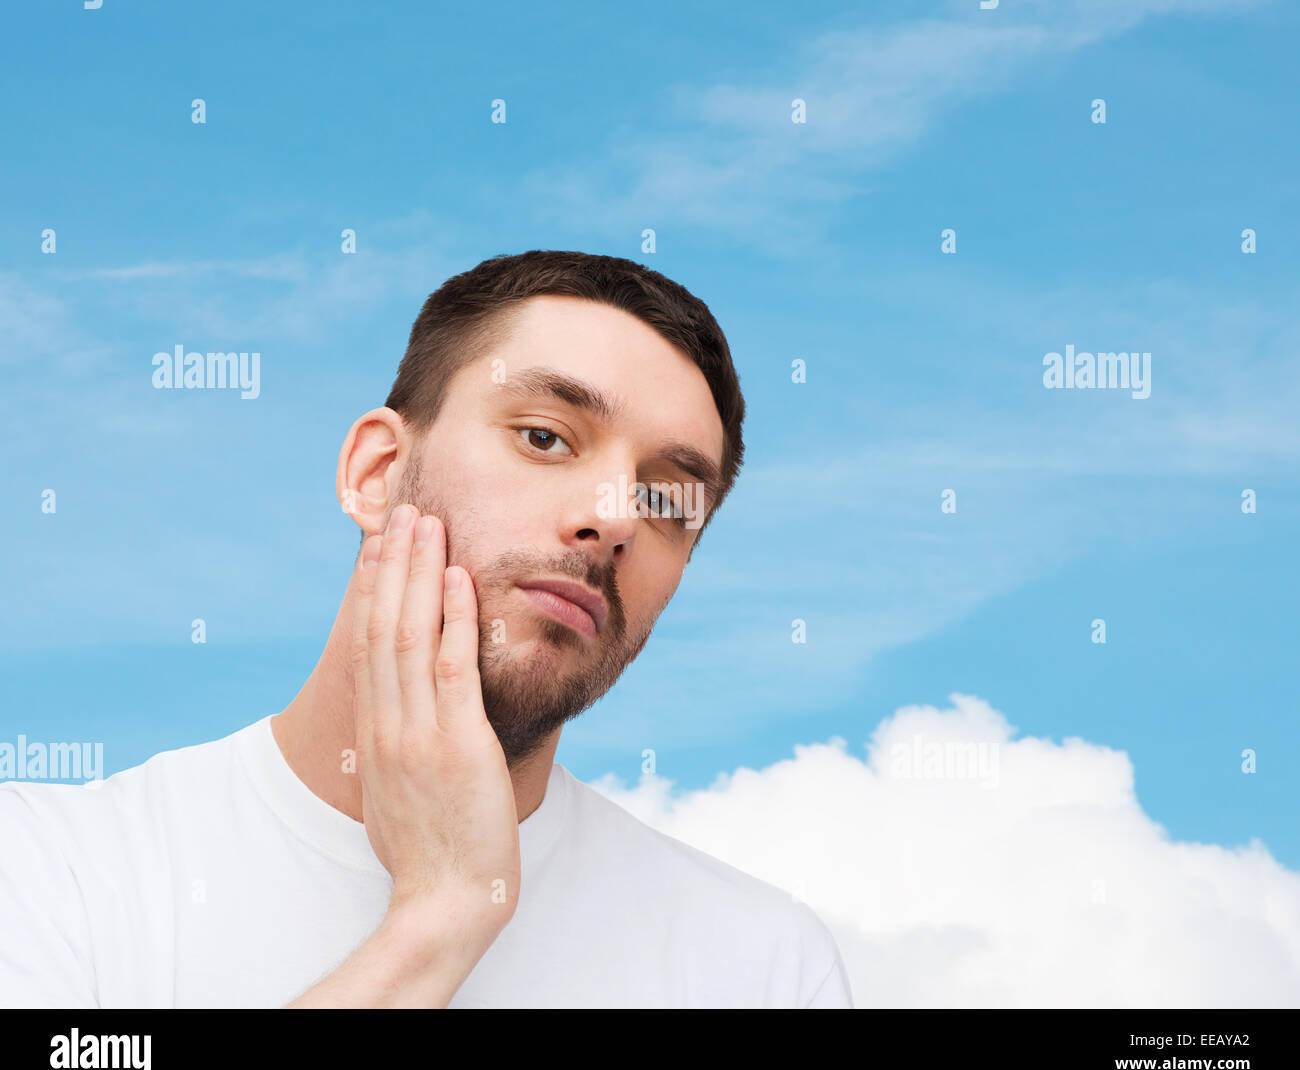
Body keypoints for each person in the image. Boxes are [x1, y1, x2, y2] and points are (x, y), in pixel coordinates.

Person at [0, 251, 853, 1008]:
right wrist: (440, 916)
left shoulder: (765, 967)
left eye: (666, 498)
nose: (615, 519)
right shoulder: (48, 872)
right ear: (377, 473)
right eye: (547, 437)